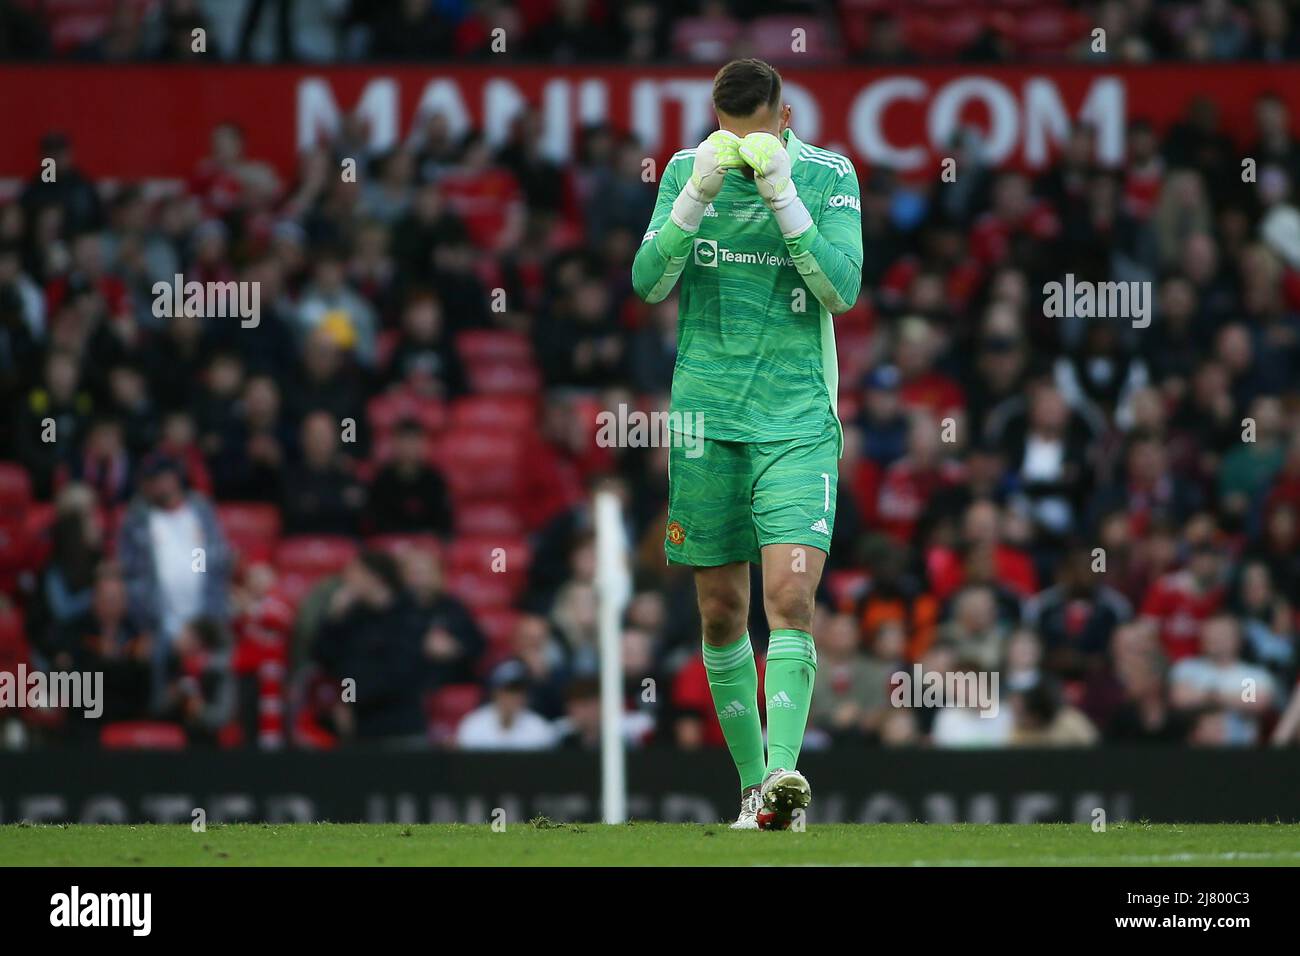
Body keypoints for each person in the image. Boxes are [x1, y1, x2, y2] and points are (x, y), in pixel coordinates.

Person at [632, 58, 862, 829]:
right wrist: (697, 191)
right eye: (726, 136)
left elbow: (842, 288)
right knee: (722, 613)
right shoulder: (685, 171)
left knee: (790, 598)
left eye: (752, 134)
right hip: (705, 418)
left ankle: (785, 777)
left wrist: (782, 194)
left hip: (795, 419)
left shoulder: (828, 174)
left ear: (784, 117)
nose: (737, 149)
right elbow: (647, 282)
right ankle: (753, 792)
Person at [456, 659, 557, 751]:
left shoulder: (539, 728)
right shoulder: (474, 725)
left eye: (519, 691)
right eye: (508, 690)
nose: (514, 697)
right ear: (495, 693)